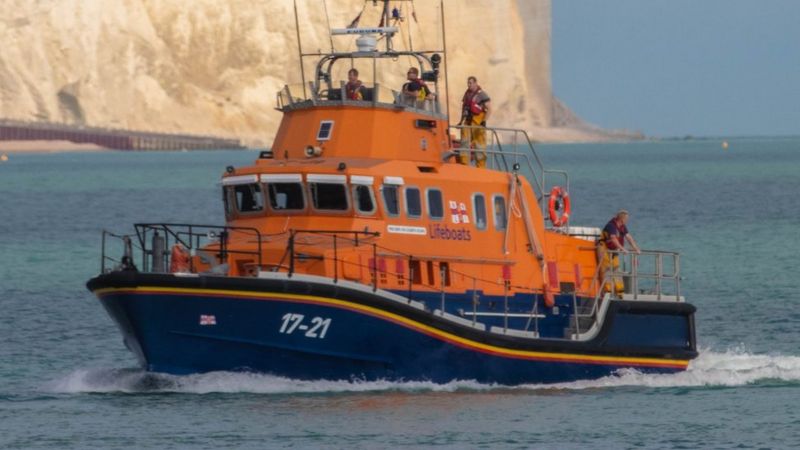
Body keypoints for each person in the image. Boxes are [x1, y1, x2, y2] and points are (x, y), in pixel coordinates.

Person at [597, 210, 641, 294]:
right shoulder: (611, 226)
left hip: (614, 250)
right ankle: (608, 291)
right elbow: (613, 239)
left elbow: (629, 237)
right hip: (604, 249)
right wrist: (622, 248)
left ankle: (620, 291)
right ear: (622, 219)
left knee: (616, 268)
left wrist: (636, 248)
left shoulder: (623, 227)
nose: (627, 221)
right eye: (626, 219)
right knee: (607, 269)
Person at [458, 76, 491, 167]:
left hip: (478, 121)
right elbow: (464, 108)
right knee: (464, 141)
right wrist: (461, 121)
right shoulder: (467, 94)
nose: (469, 85)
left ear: (476, 83)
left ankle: (481, 165)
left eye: (471, 83)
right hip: (467, 121)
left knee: (480, 145)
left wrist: (484, 121)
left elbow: (489, 108)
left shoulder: (482, 94)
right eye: (468, 83)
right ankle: (464, 163)